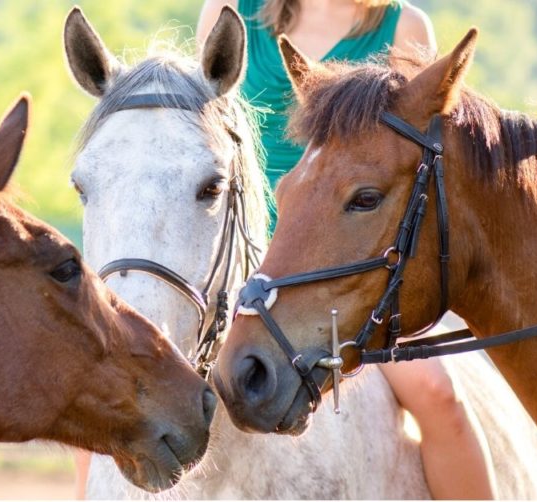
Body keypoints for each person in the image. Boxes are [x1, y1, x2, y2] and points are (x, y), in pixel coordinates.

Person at [197, 0, 497, 499]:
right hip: (233, 245)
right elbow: (197, 134)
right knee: (112, 380)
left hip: (343, 261)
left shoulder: (404, 26)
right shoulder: (232, 11)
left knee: (437, 395)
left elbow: (417, 161)